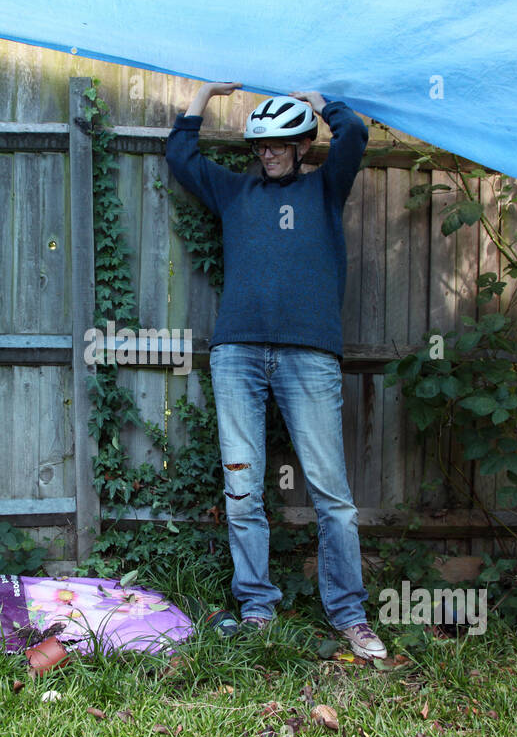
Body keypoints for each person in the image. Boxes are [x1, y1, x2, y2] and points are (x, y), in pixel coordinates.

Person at [164, 82, 387, 659]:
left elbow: (357, 134)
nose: (268, 154)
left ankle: (349, 614)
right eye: (260, 145)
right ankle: (257, 607)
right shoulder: (236, 192)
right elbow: (181, 156)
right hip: (236, 355)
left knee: (331, 494)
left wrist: (321, 102)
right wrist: (201, 97)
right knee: (242, 488)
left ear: (303, 145)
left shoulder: (324, 190)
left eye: (280, 144)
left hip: (308, 356)